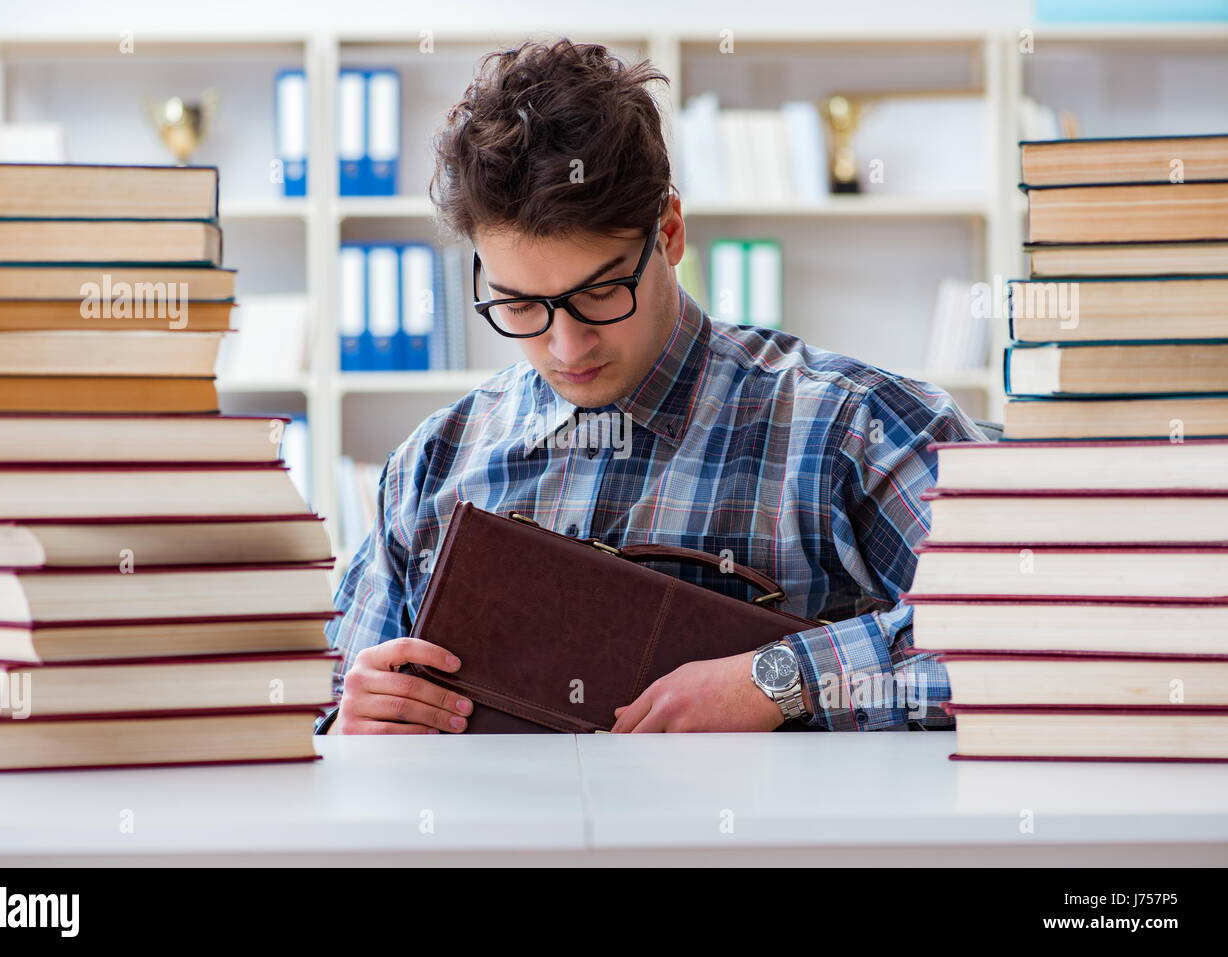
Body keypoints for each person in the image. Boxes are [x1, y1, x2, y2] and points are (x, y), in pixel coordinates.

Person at [317, 37, 987, 735]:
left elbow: (1034, 639)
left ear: (668, 232)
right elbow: (324, 714)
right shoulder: (433, 464)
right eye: (520, 306)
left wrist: (780, 681)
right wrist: (349, 727)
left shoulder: (854, 427)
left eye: (602, 292)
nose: (567, 345)